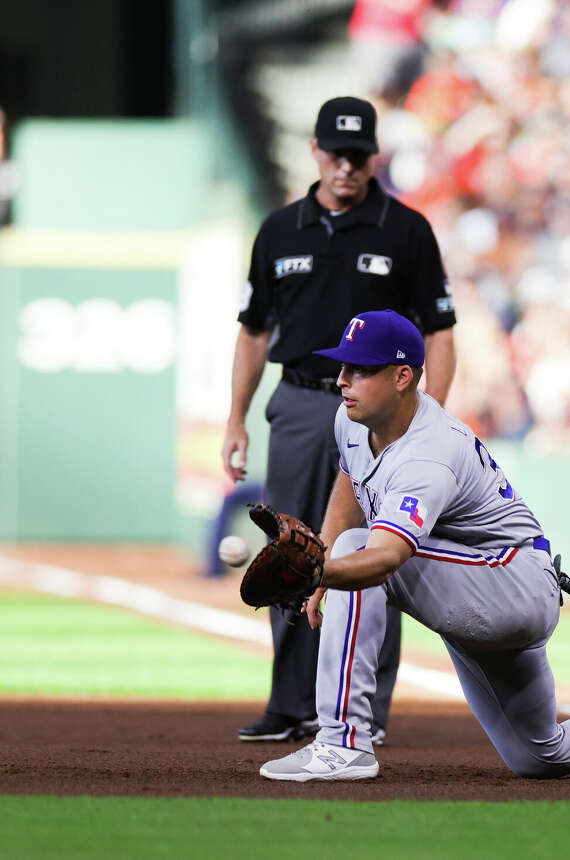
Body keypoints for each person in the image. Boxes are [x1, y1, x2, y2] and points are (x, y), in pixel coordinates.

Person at [259, 309, 570, 781]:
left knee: (358, 548)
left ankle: (342, 743)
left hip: (511, 584)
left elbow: (387, 558)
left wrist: (321, 568)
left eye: (360, 369)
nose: (342, 379)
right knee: (538, 752)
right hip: (479, 580)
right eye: (343, 366)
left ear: (402, 377)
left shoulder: (428, 454)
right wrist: (324, 558)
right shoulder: (352, 420)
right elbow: (353, 480)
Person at [222, 96, 457, 744]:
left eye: (357, 155)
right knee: (290, 549)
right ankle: (291, 702)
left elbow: (440, 331)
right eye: (336, 153)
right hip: (300, 402)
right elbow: (253, 332)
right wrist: (236, 418)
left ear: (372, 157)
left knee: (373, 552)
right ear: (315, 152)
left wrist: (428, 413)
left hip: (380, 411)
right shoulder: (279, 230)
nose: (346, 166)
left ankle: (363, 712)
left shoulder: (406, 229)